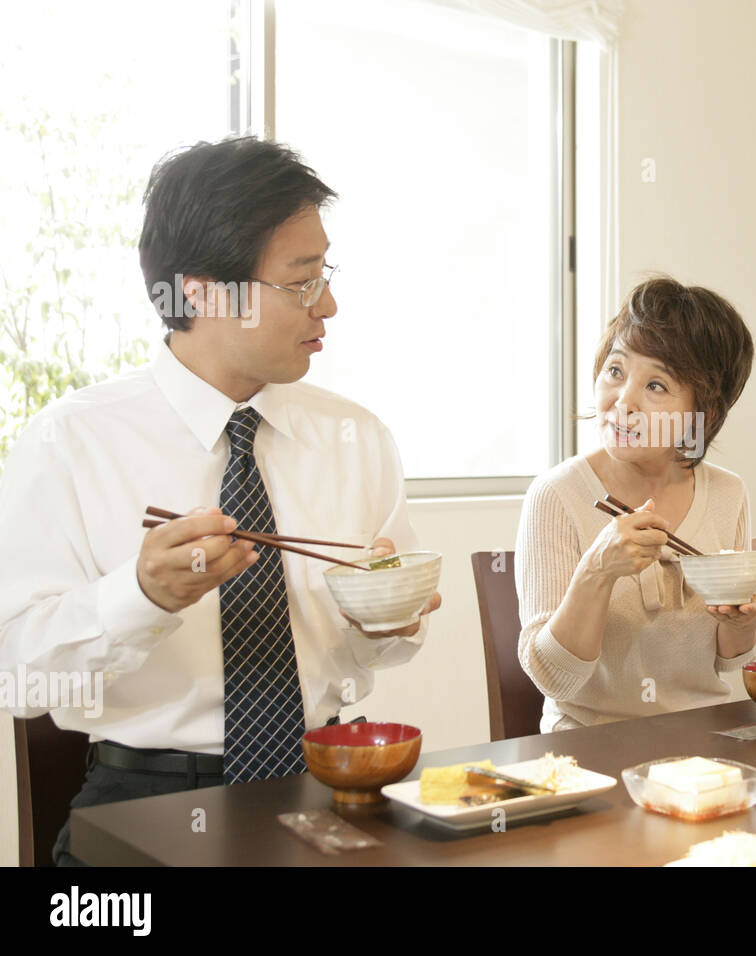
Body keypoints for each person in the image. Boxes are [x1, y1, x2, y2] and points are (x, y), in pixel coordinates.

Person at [0, 136, 440, 865]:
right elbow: (15, 673)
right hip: (147, 806)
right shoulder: (69, 441)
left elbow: (381, 651)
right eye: (300, 282)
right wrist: (140, 596)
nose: (327, 304)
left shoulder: (355, 438)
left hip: (327, 787)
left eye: (324, 273)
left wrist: (388, 617)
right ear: (201, 290)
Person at [515, 276, 756, 732]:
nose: (623, 401)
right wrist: (598, 572)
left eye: (656, 386)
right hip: (590, 750)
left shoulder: (730, 494)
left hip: (705, 744)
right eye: (615, 370)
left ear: (702, 413)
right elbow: (552, 677)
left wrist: (742, 624)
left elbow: (736, 664)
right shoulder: (557, 494)